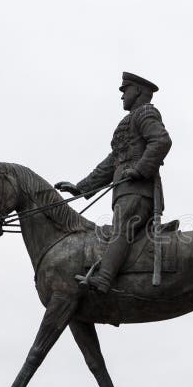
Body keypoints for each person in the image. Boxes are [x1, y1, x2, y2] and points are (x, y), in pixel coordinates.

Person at [55, 72, 171, 293]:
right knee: (121, 230)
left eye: (125, 90)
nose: (122, 96)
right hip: (125, 190)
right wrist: (82, 187)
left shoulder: (146, 112)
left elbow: (161, 140)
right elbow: (113, 161)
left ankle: (104, 279)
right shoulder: (130, 119)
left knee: (122, 229)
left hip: (139, 189)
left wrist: (139, 170)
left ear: (137, 91)